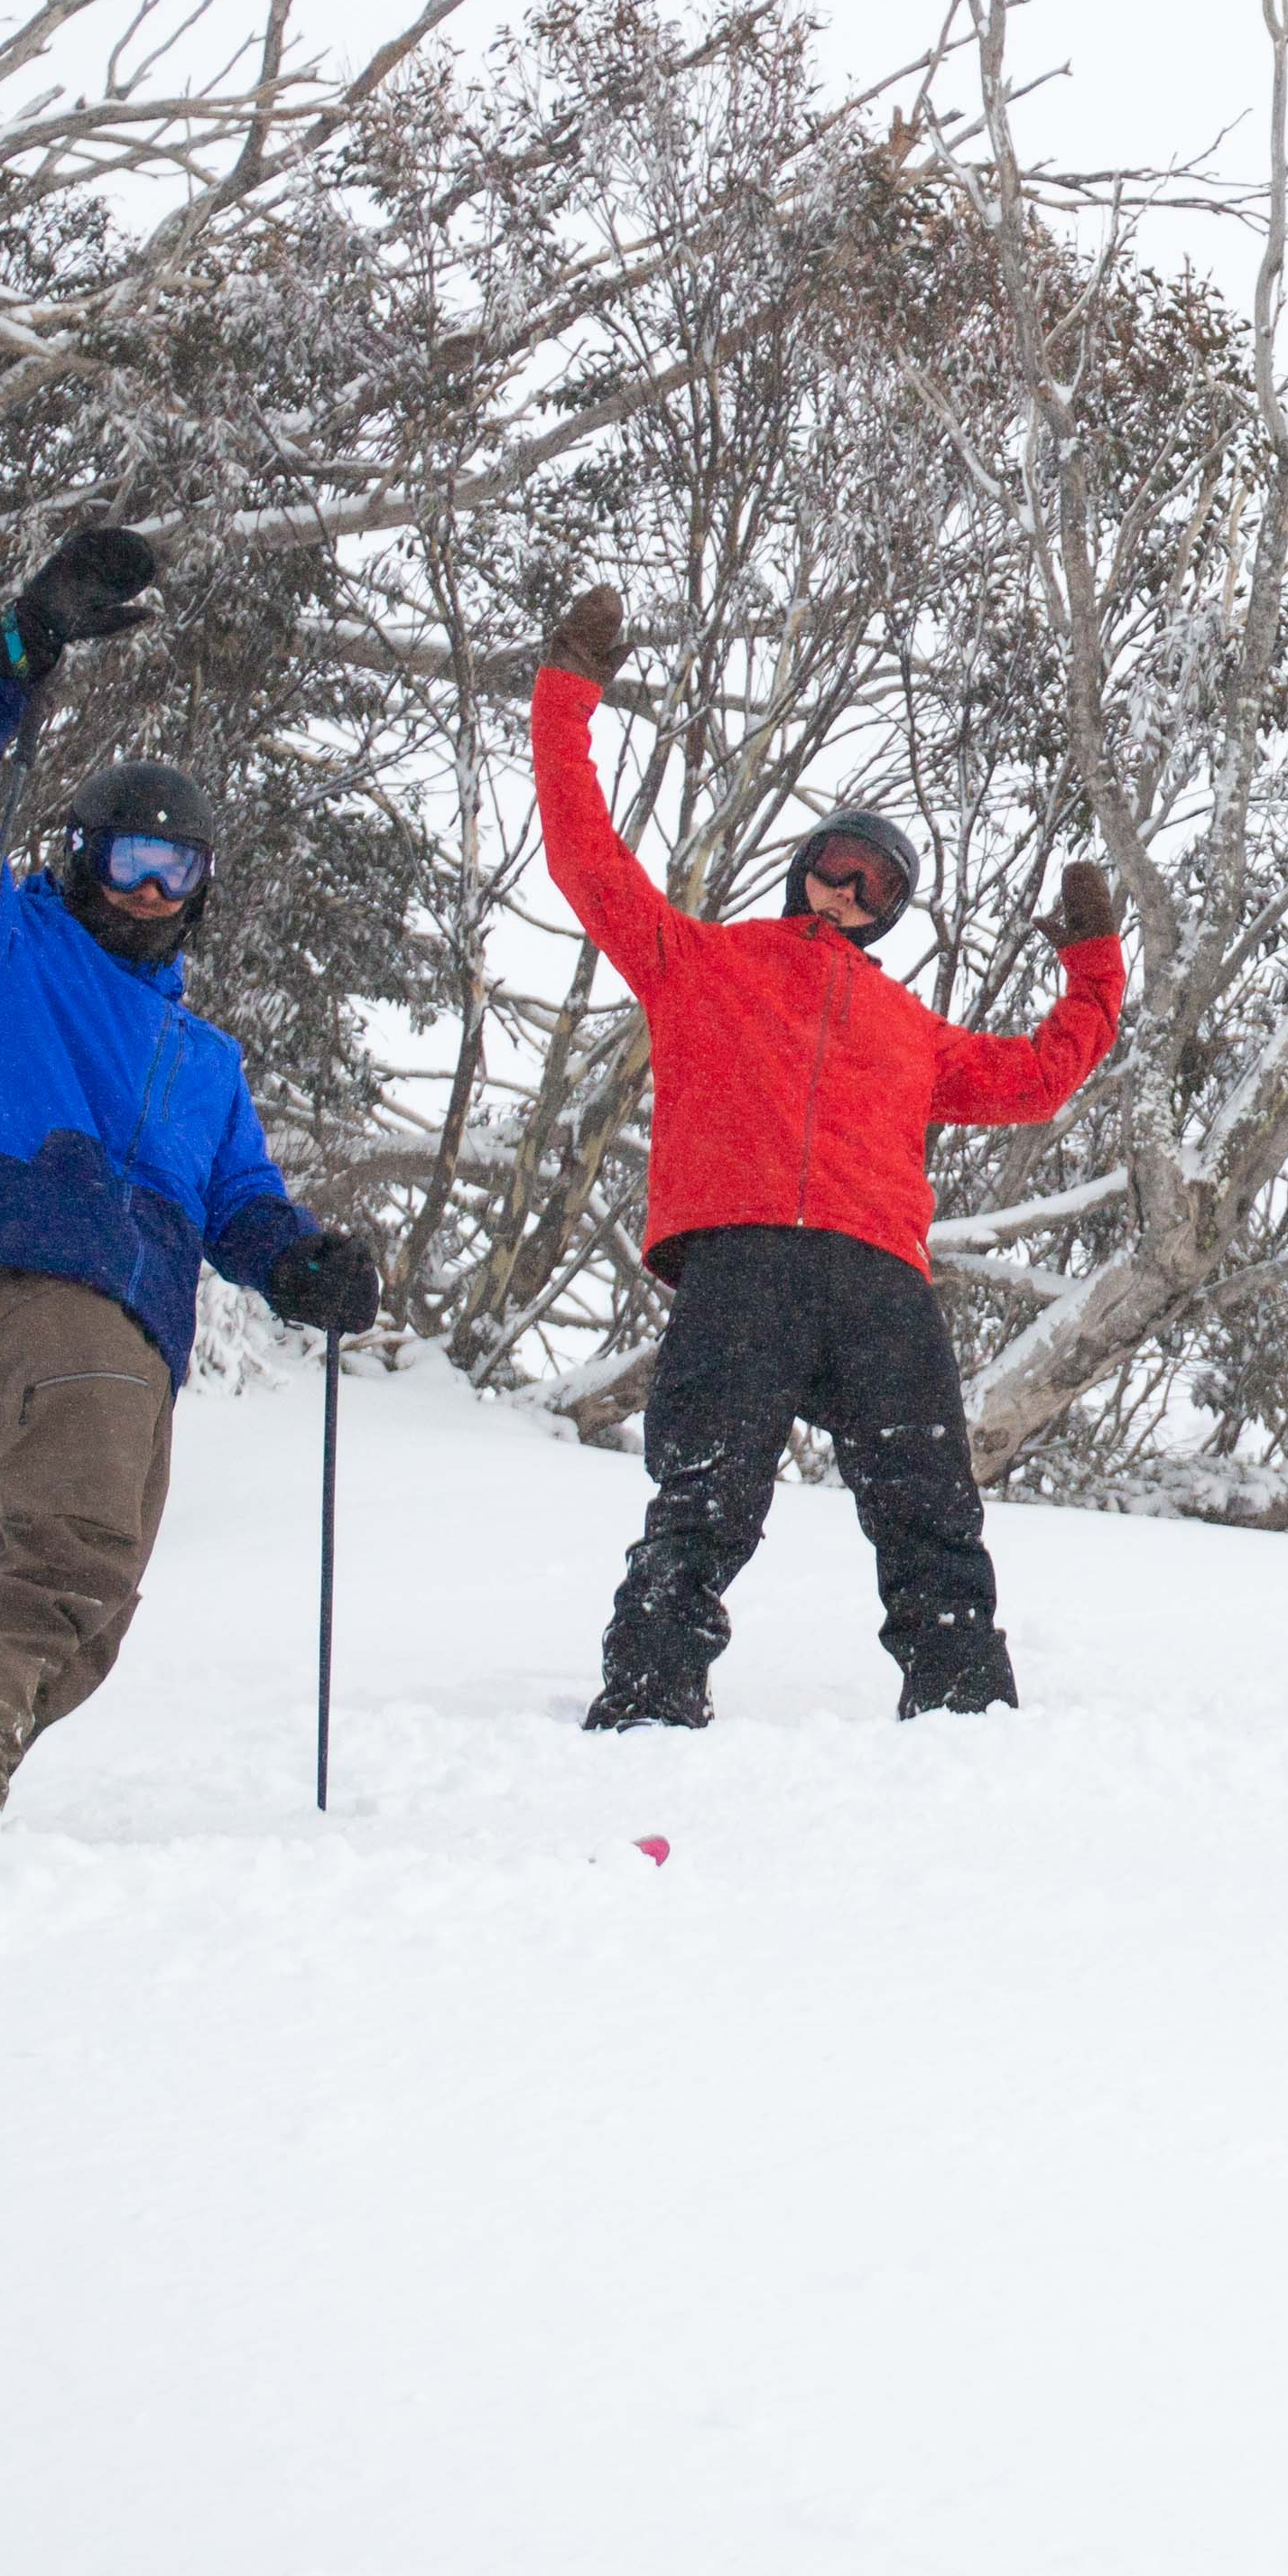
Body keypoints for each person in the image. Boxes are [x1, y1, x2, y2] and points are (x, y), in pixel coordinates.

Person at [0, 525, 378, 1849]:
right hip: (35, 1280)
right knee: (71, 1556)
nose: (148, 889)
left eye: (175, 870)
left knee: (96, 1601)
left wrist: (303, 1262)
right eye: (127, 859)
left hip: (138, 1329)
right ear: (79, 860)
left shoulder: (206, 1058)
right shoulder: (10, 943)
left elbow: (241, 1204)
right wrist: (23, 645)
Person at [529, 584, 1123, 1728]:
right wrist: (568, 693)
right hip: (742, 1263)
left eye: (879, 883)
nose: (849, 889)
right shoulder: (700, 961)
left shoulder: (911, 1028)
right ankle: (652, 1694)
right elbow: (584, 854)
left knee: (930, 1503)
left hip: (877, 1283)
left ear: (893, 910)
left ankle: (963, 1709)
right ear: (805, 864)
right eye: (838, 864)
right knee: (704, 1495)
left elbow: (1040, 1075)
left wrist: (1094, 962)